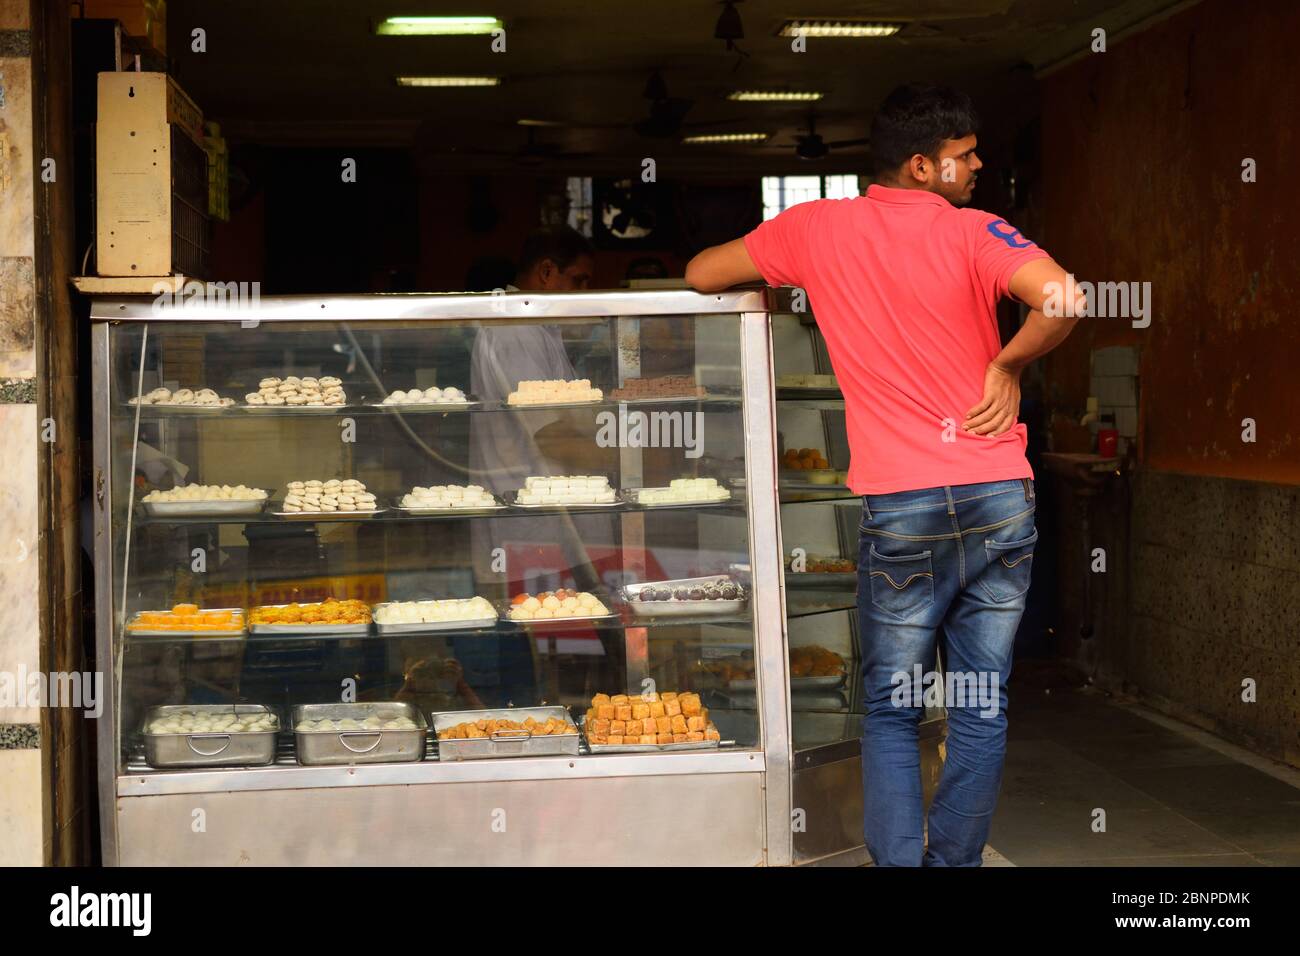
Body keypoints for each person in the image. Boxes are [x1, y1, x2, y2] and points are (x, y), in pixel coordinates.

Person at [685, 83, 1083, 866]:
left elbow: (702, 275)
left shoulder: (814, 230)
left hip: (902, 504)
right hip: (998, 493)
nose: (977, 166)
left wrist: (792, 280)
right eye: (963, 156)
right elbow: (1064, 297)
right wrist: (1009, 365)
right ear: (921, 165)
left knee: (895, 707)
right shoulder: (975, 233)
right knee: (979, 703)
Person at [466, 227, 618, 703]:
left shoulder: (541, 328)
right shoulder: (516, 330)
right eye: (579, 280)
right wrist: (634, 462)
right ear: (546, 271)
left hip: (555, 522)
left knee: (574, 655)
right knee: (547, 659)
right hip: (528, 526)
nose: (584, 294)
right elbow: (552, 434)